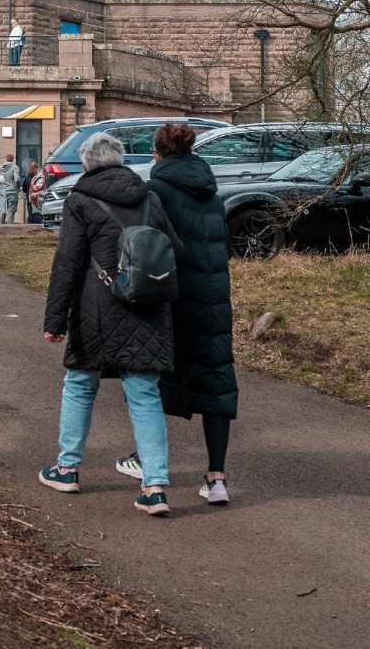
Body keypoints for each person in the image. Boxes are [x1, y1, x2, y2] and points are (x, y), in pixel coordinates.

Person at [38, 132, 181, 516]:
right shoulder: (150, 197)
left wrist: (55, 321)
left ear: (86, 164)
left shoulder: (81, 200)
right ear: (119, 161)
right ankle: (154, 487)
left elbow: (66, 265)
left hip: (95, 309)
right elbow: (175, 250)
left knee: (80, 385)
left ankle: (67, 469)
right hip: (148, 307)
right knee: (145, 395)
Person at [116, 121, 237, 507]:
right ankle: (216, 479)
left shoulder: (156, 191)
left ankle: (143, 459)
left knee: (155, 376)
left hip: (169, 294)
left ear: (157, 154)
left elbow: (148, 244)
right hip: (214, 297)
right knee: (216, 382)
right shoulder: (212, 192)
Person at [0, 153, 21, 224]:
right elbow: (17, 179)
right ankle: (10, 227)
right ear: (13, 159)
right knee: (11, 210)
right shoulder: (15, 167)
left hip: (3, 191)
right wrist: (18, 188)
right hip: (12, 191)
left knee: (3, 211)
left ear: (6, 159)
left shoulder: (0, 168)